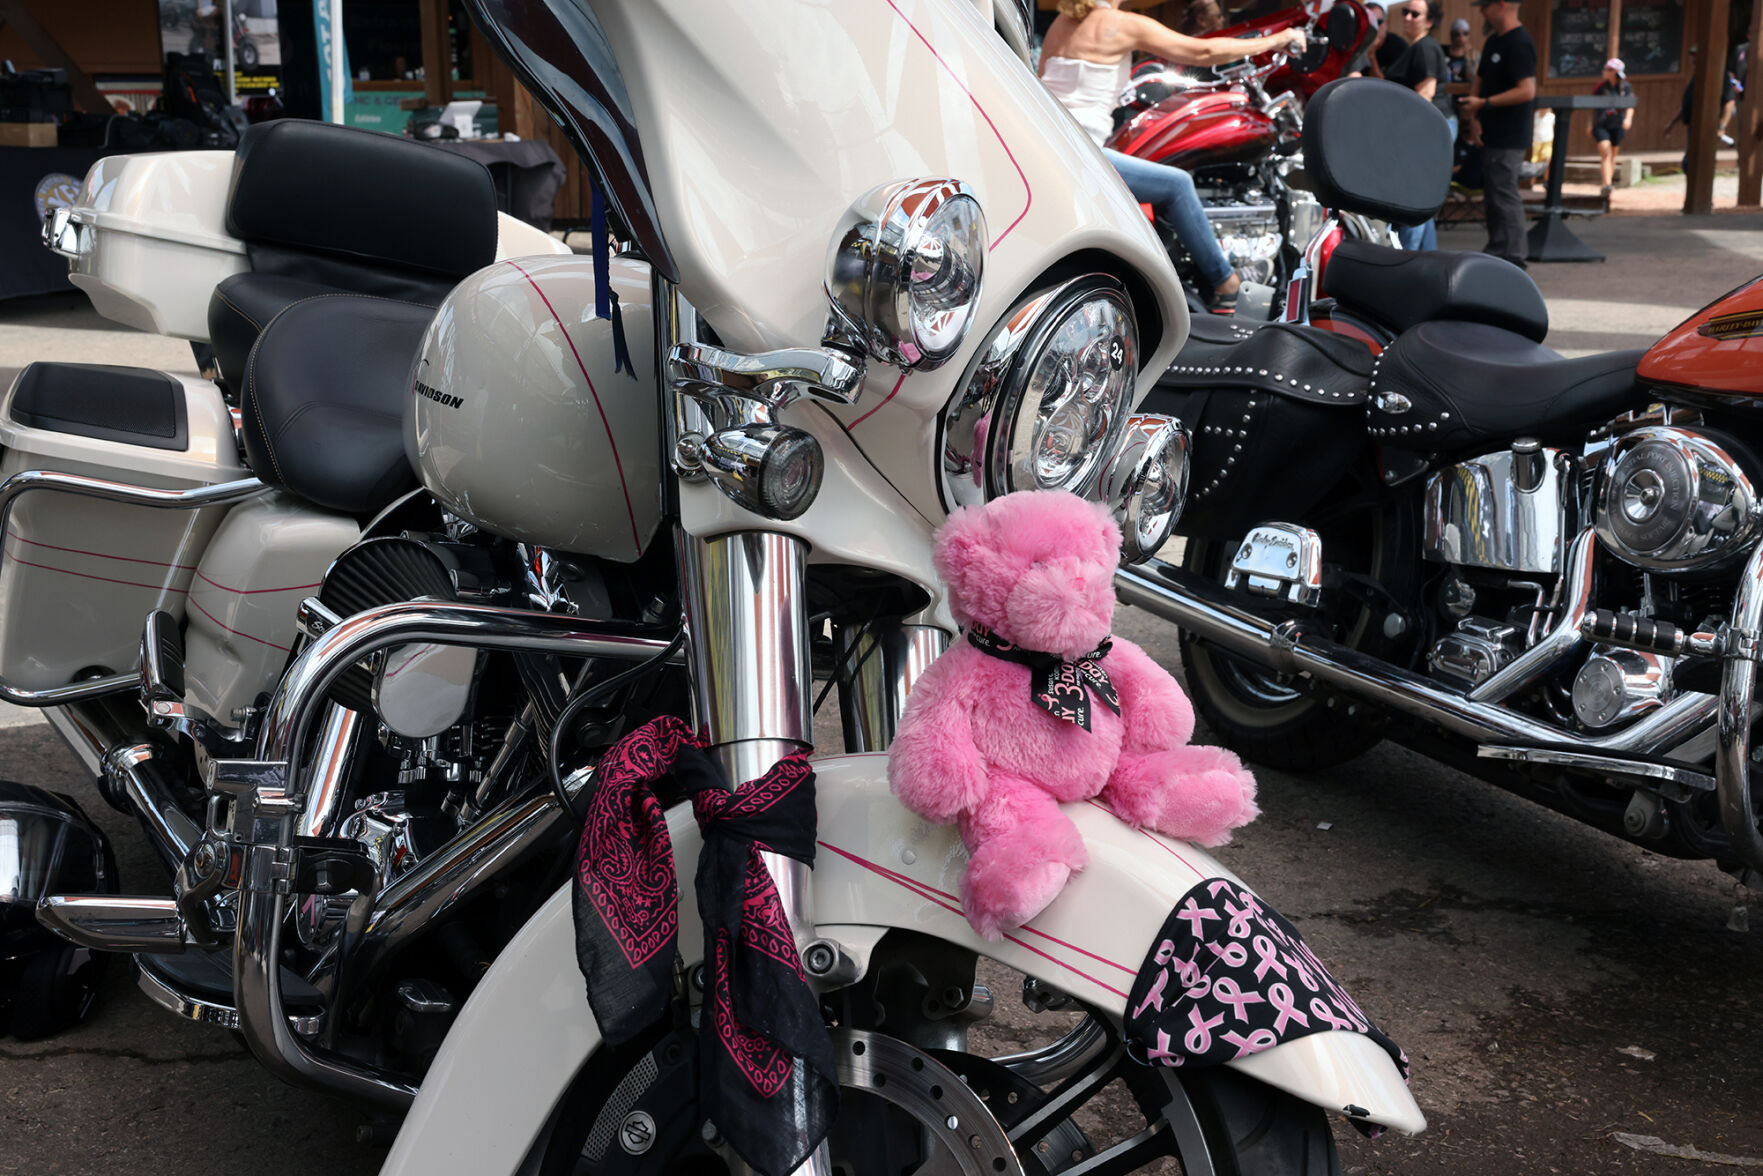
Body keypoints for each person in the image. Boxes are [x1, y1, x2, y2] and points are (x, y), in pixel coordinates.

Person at [1038, 0, 1305, 311]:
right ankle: (1226, 283)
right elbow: (1201, 52)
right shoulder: (1119, 23)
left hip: (1055, 142)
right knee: (1177, 184)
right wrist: (1279, 39)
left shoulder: (1060, 25)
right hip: (1084, 153)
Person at [1461, 0, 1537, 268]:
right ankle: (1498, 249)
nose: (1482, 11)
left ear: (1502, 5)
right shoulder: (1494, 41)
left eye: (1485, 6)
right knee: (1494, 193)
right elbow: (1478, 83)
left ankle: (1514, 256)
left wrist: (1485, 104)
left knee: (1504, 193)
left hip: (1510, 134)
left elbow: (1527, 90)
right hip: (1490, 131)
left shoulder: (1519, 42)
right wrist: (1474, 116)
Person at [1386, 0, 1453, 250]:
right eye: (1406, 12)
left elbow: (1426, 93)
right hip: (1430, 127)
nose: (1408, 17)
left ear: (1430, 21)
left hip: (1427, 128)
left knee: (1415, 198)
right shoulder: (1416, 47)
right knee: (1423, 198)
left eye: (1416, 14)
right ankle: (1426, 260)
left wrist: (1408, 133)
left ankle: (1407, 260)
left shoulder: (1425, 47)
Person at [1592, 57, 1635, 195]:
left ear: (1613, 72)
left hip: (1617, 124)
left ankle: (1607, 184)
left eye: (1606, 69)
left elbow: (1630, 105)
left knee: (1612, 156)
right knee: (1605, 152)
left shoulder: (1625, 87)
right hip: (1601, 124)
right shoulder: (1600, 87)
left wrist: (1628, 119)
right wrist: (1589, 124)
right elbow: (1591, 107)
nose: (1603, 71)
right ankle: (1607, 184)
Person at [1446, 17, 1478, 82]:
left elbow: (1473, 80)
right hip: (1446, 90)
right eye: (1457, 34)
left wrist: (1470, 61)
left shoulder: (1474, 55)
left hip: (1465, 91)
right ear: (1452, 35)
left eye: (1465, 34)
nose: (1461, 37)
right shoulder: (1443, 52)